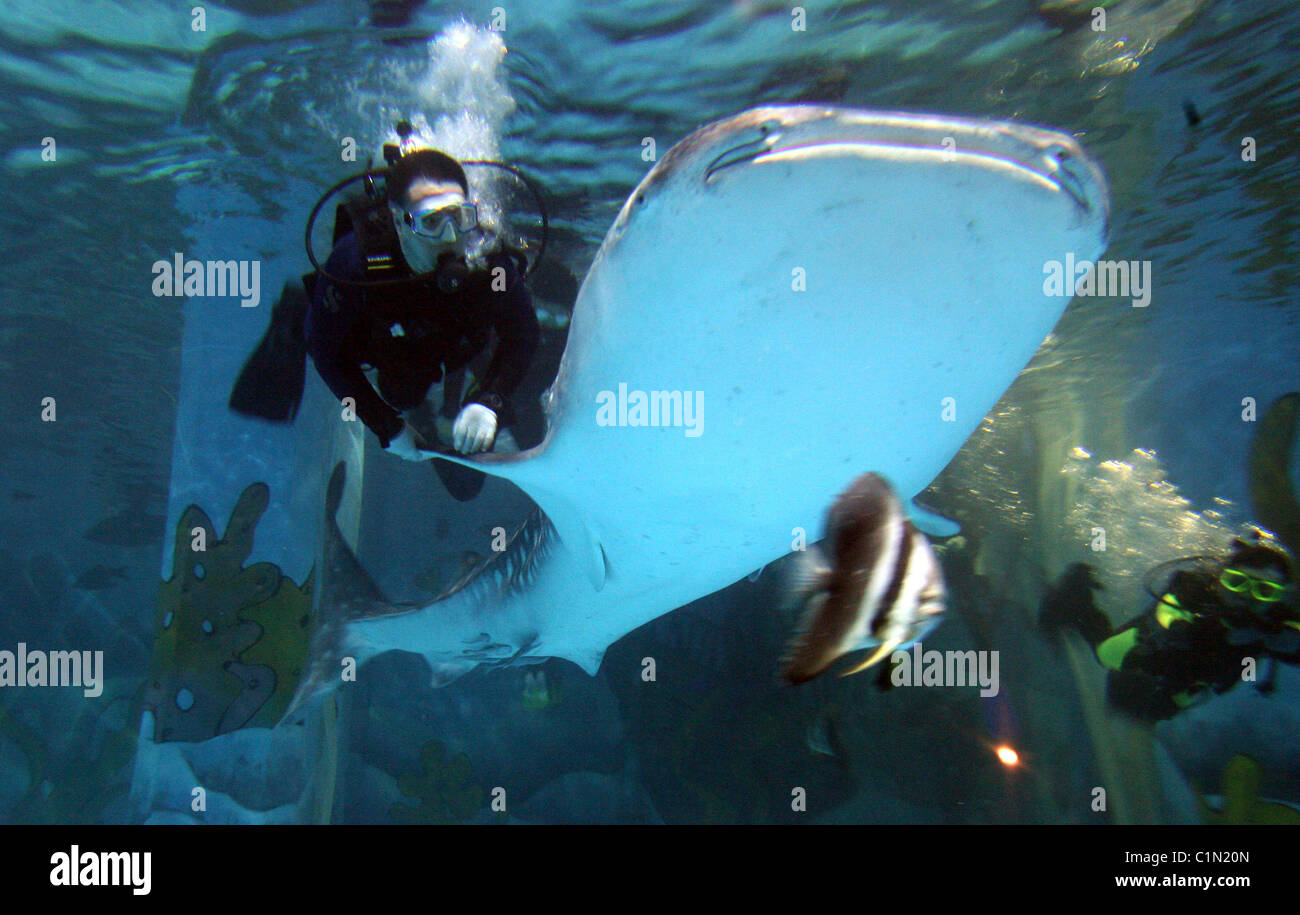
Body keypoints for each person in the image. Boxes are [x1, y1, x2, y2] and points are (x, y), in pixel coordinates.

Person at [231, 123, 541, 501]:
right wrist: (386, 426)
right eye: (430, 221)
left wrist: (490, 400)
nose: (449, 236)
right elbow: (328, 355)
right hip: (391, 342)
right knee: (401, 392)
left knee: (513, 404)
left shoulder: (488, 261)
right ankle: (297, 312)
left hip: (459, 339)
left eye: (459, 217)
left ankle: (454, 402)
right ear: (399, 222)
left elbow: (523, 334)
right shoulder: (355, 265)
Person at [1039, 528, 1300, 721]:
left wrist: (1283, 637)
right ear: (1221, 579)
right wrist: (1179, 628)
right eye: (1237, 582)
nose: (1245, 597)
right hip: (1160, 648)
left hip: (1195, 677)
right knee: (1108, 654)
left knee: (1149, 711)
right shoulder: (1198, 589)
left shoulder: (1275, 623)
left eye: (1263, 591)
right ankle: (1076, 594)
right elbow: (1170, 606)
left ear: (1278, 598)